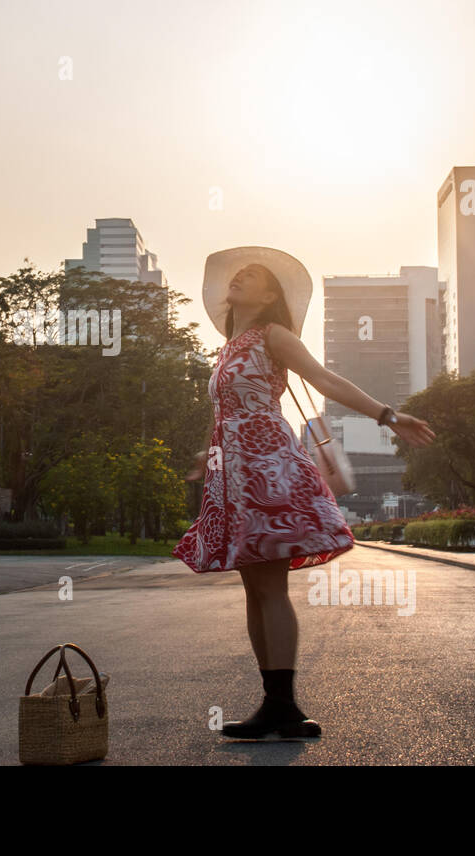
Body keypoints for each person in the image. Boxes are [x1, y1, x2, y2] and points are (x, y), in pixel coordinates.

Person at [173, 247, 436, 740]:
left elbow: (323, 379)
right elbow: (222, 413)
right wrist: (203, 458)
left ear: (270, 295)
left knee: (270, 585)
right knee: (254, 587)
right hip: (233, 474)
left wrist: (388, 415)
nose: (239, 278)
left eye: (251, 276)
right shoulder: (227, 348)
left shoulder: (275, 335)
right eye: (237, 275)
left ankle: (284, 706)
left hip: (268, 468)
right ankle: (273, 705)